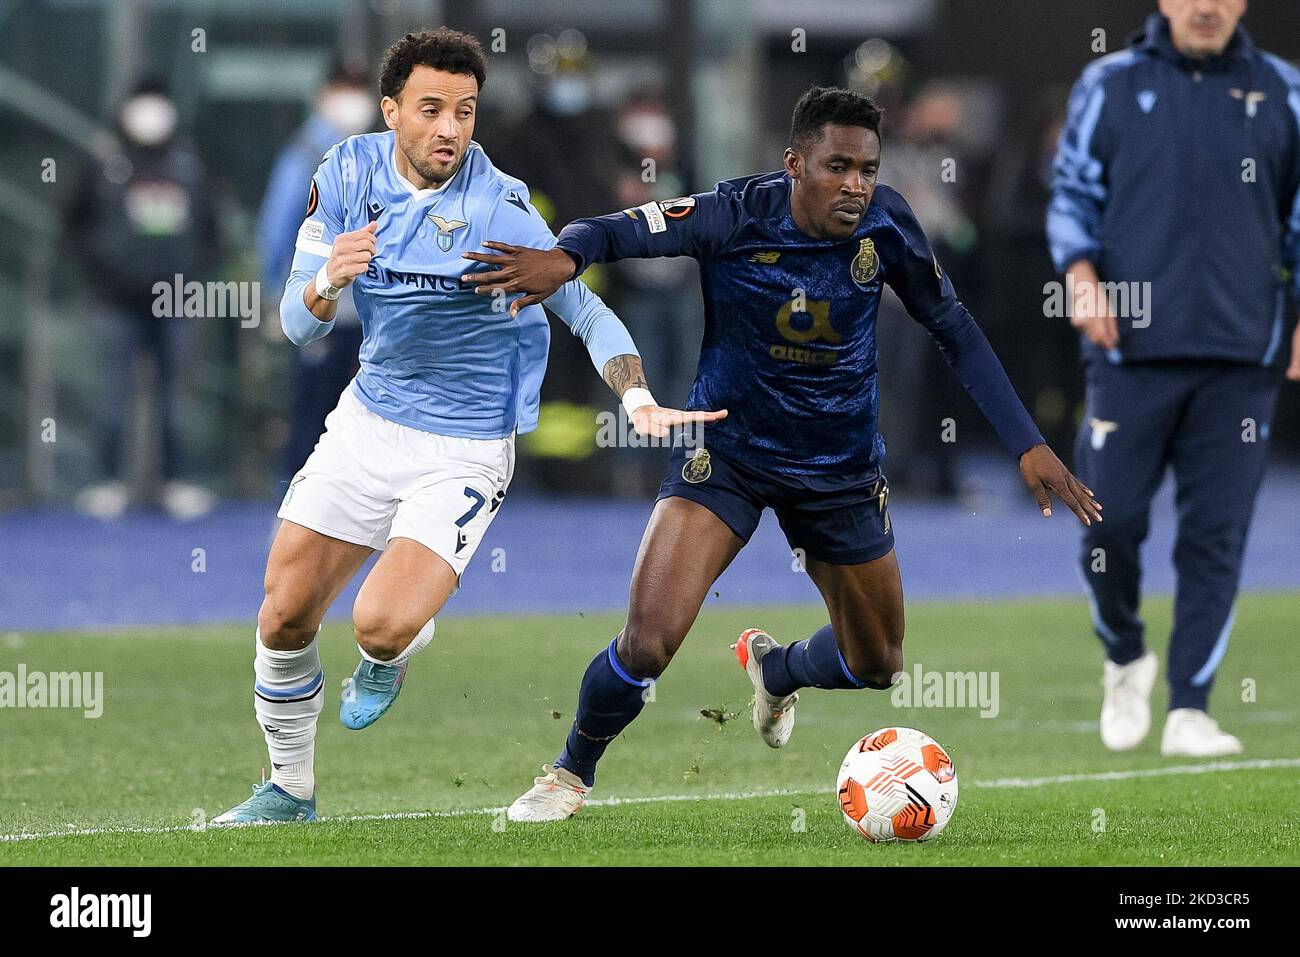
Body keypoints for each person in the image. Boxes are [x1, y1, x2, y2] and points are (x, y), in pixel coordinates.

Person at [460, 85, 1101, 821]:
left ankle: (779, 667)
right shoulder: (733, 214)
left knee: (878, 663)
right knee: (647, 642)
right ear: (795, 163)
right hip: (727, 454)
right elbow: (610, 229)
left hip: (841, 470)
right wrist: (565, 258)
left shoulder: (887, 224)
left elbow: (953, 326)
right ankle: (569, 772)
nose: (856, 185)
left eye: (867, 168)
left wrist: (1028, 442)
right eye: (838, 167)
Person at [212, 29, 717, 825]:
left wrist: (637, 395)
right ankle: (289, 788)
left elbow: (583, 306)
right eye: (432, 109)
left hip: (466, 447)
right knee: (282, 612)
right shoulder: (344, 173)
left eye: (466, 111)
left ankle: (395, 650)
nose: (451, 128)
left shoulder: (500, 208)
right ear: (391, 112)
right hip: (369, 421)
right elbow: (297, 325)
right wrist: (327, 283)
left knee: (378, 624)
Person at [1047, 0, 1300, 757]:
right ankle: (1126, 652)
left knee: (1215, 537)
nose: (1206, 6)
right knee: (1109, 523)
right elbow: (1071, 193)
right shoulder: (1110, 82)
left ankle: (1191, 706)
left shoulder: (1285, 90)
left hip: (1241, 356)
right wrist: (1081, 275)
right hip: (1130, 352)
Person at [67, 78, 218, 520]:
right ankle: (107, 480)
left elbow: (210, 228)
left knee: (177, 399)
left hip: (178, 300)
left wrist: (195, 275)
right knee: (113, 394)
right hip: (117, 302)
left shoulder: (189, 163)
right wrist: (100, 272)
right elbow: (74, 223)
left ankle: (176, 481)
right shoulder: (105, 162)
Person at [257, 60, 375, 481]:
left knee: (367, 418)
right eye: (344, 88)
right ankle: (294, 506)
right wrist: (277, 296)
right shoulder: (307, 152)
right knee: (312, 411)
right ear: (322, 95)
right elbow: (277, 227)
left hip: (369, 312)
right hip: (320, 303)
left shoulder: (377, 150)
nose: (352, 99)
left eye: (359, 88)